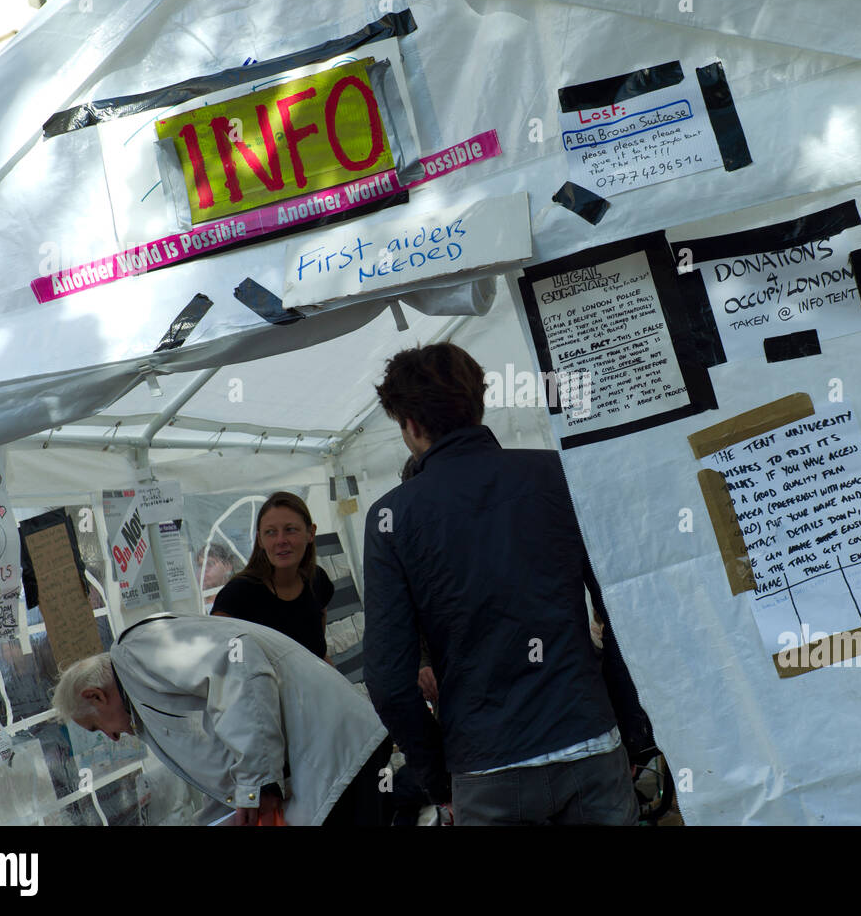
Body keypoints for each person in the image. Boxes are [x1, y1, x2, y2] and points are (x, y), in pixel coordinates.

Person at [362, 343, 656, 826]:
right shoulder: (557, 474)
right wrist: (631, 731)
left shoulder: (392, 517)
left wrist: (439, 781)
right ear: (479, 401)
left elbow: (391, 683)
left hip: (486, 764)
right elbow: (623, 611)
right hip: (588, 738)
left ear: (409, 425)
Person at [51, 613, 392, 826]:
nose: (111, 738)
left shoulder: (136, 650)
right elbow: (219, 759)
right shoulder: (139, 699)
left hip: (335, 752)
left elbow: (238, 663)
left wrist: (259, 784)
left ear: (95, 696)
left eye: (96, 728)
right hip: (329, 761)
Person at [211, 492, 333, 662]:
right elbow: (221, 664)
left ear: (311, 533)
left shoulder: (317, 580)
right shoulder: (237, 595)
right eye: (270, 532)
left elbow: (318, 656)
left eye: (290, 530)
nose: (280, 540)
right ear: (259, 539)